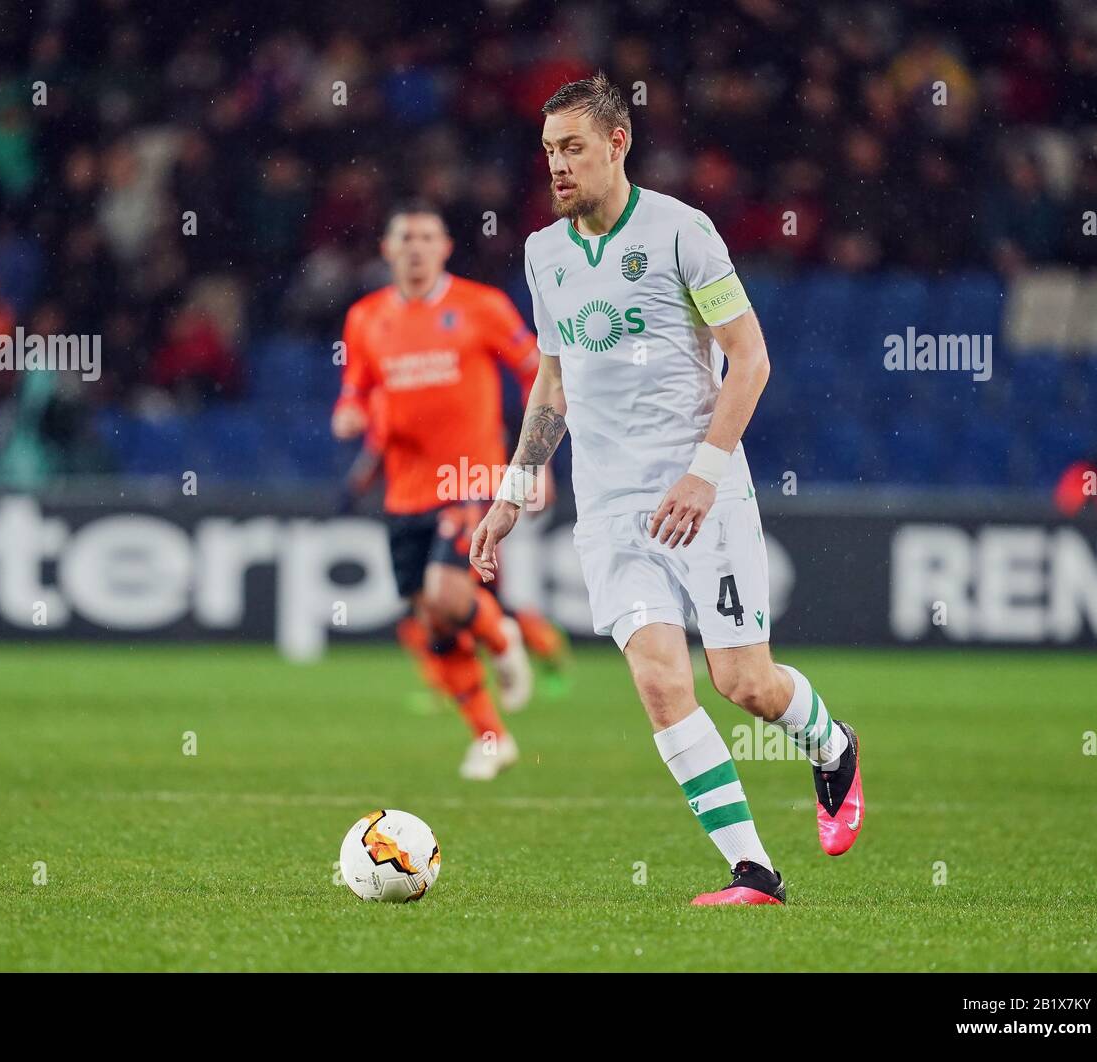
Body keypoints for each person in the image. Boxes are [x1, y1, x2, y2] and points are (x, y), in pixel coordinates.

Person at [470, 74, 865, 904]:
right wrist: (513, 490)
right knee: (658, 677)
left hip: (703, 491)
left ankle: (833, 747)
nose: (558, 167)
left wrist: (703, 473)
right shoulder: (545, 254)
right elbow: (553, 382)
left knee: (744, 684)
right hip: (610, 509)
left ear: (618, 144)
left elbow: (751, 360)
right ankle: (753, 869)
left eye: (572, 148)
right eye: (548, 151)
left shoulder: (685, 232)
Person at [331, 202, 540, 779]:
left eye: (428, 237)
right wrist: (348, 413)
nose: (417, 247)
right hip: (405, 491)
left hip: (471, 479)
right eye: (406, 237)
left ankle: (502, 638)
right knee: (432, 622)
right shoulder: (366, 318)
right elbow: (356, 387)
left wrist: (536, 455)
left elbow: (537, 374)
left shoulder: (482, 307)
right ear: (388, 249)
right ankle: (492, 737)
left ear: (446, 248)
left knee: (445, 592)